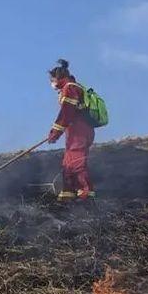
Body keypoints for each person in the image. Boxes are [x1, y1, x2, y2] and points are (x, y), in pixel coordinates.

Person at [47, 59, 95, 201]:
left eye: (52, 79)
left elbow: (66, 113)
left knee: (76, 162)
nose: (52, 83)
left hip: (80, 132)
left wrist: (55, 133)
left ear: (58, 78)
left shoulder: (70, 88)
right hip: (74, 133)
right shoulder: (70, 88)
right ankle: (68, 194)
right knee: (68, 163)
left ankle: (86, 194)